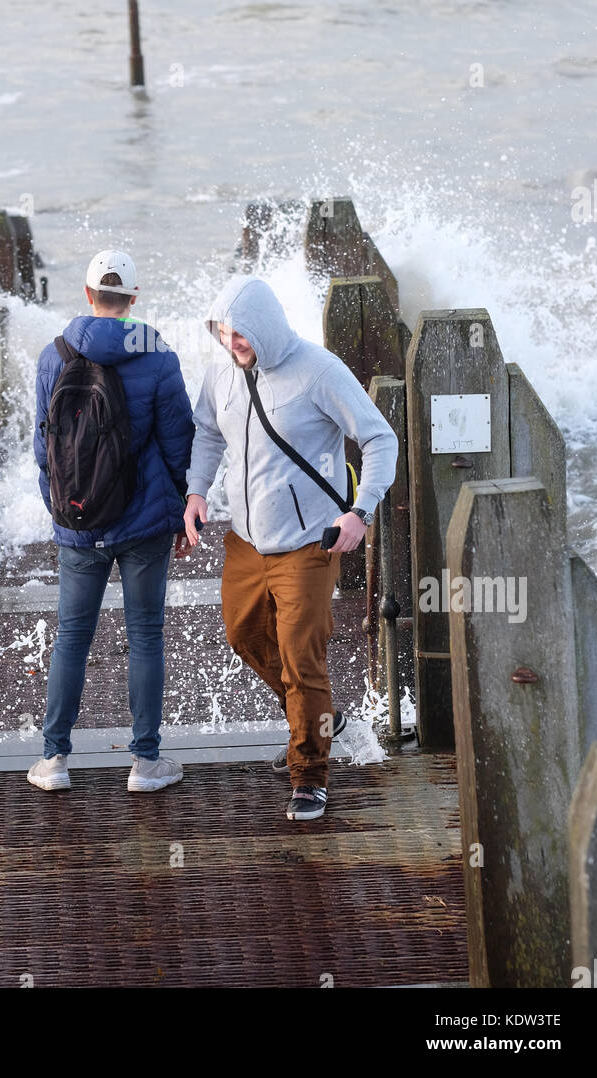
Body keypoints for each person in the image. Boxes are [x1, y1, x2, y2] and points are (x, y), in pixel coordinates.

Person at [177, 275, 397, 822]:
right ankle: (323, 722)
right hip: (247, 541)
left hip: (308, 543)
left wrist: (360, 511)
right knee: (244, 635)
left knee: (302, 659)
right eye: (224, 333)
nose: (233, 344)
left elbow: (379, 438)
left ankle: (309, 775)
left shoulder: (318, 371)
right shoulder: (220, 374)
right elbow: (206, 432)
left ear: (266, 327)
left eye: (241, 334)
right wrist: (197, 491)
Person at [28, 249, 195, 794]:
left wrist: (63, 505)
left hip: (78, 522)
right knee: (145, 634)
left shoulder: (54, 356)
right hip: (143, 523)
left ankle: (54, 760)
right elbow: (178, 444)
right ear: (132, 302)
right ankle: (145, 763)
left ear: (88, 296)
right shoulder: (159, 356)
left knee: (72, 637)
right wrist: (176, 509)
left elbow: (41, 445)